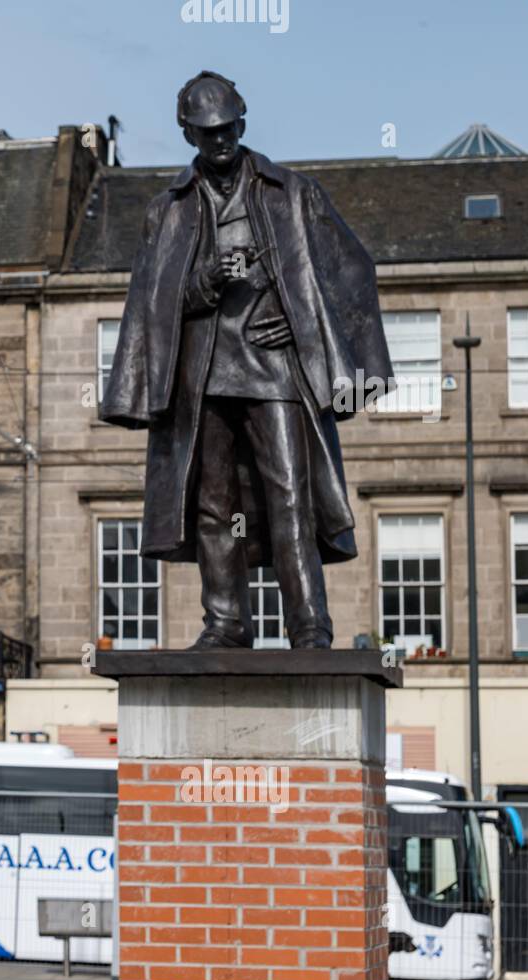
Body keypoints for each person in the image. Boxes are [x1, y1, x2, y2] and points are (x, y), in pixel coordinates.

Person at [101, 71, 396, 649]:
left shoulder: (292, 193)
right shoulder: (167, 210)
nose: (221, 140)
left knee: (291, 492)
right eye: (209, 132)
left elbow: (351, 272)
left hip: (275, 371)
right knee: (214, 505)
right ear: (188, 133)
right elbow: (152, 307)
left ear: (243, 121)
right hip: (203, 378)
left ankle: (309, 625)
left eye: (230, 126)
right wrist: (203, 284)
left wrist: (302, 321)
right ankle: (226, 623)